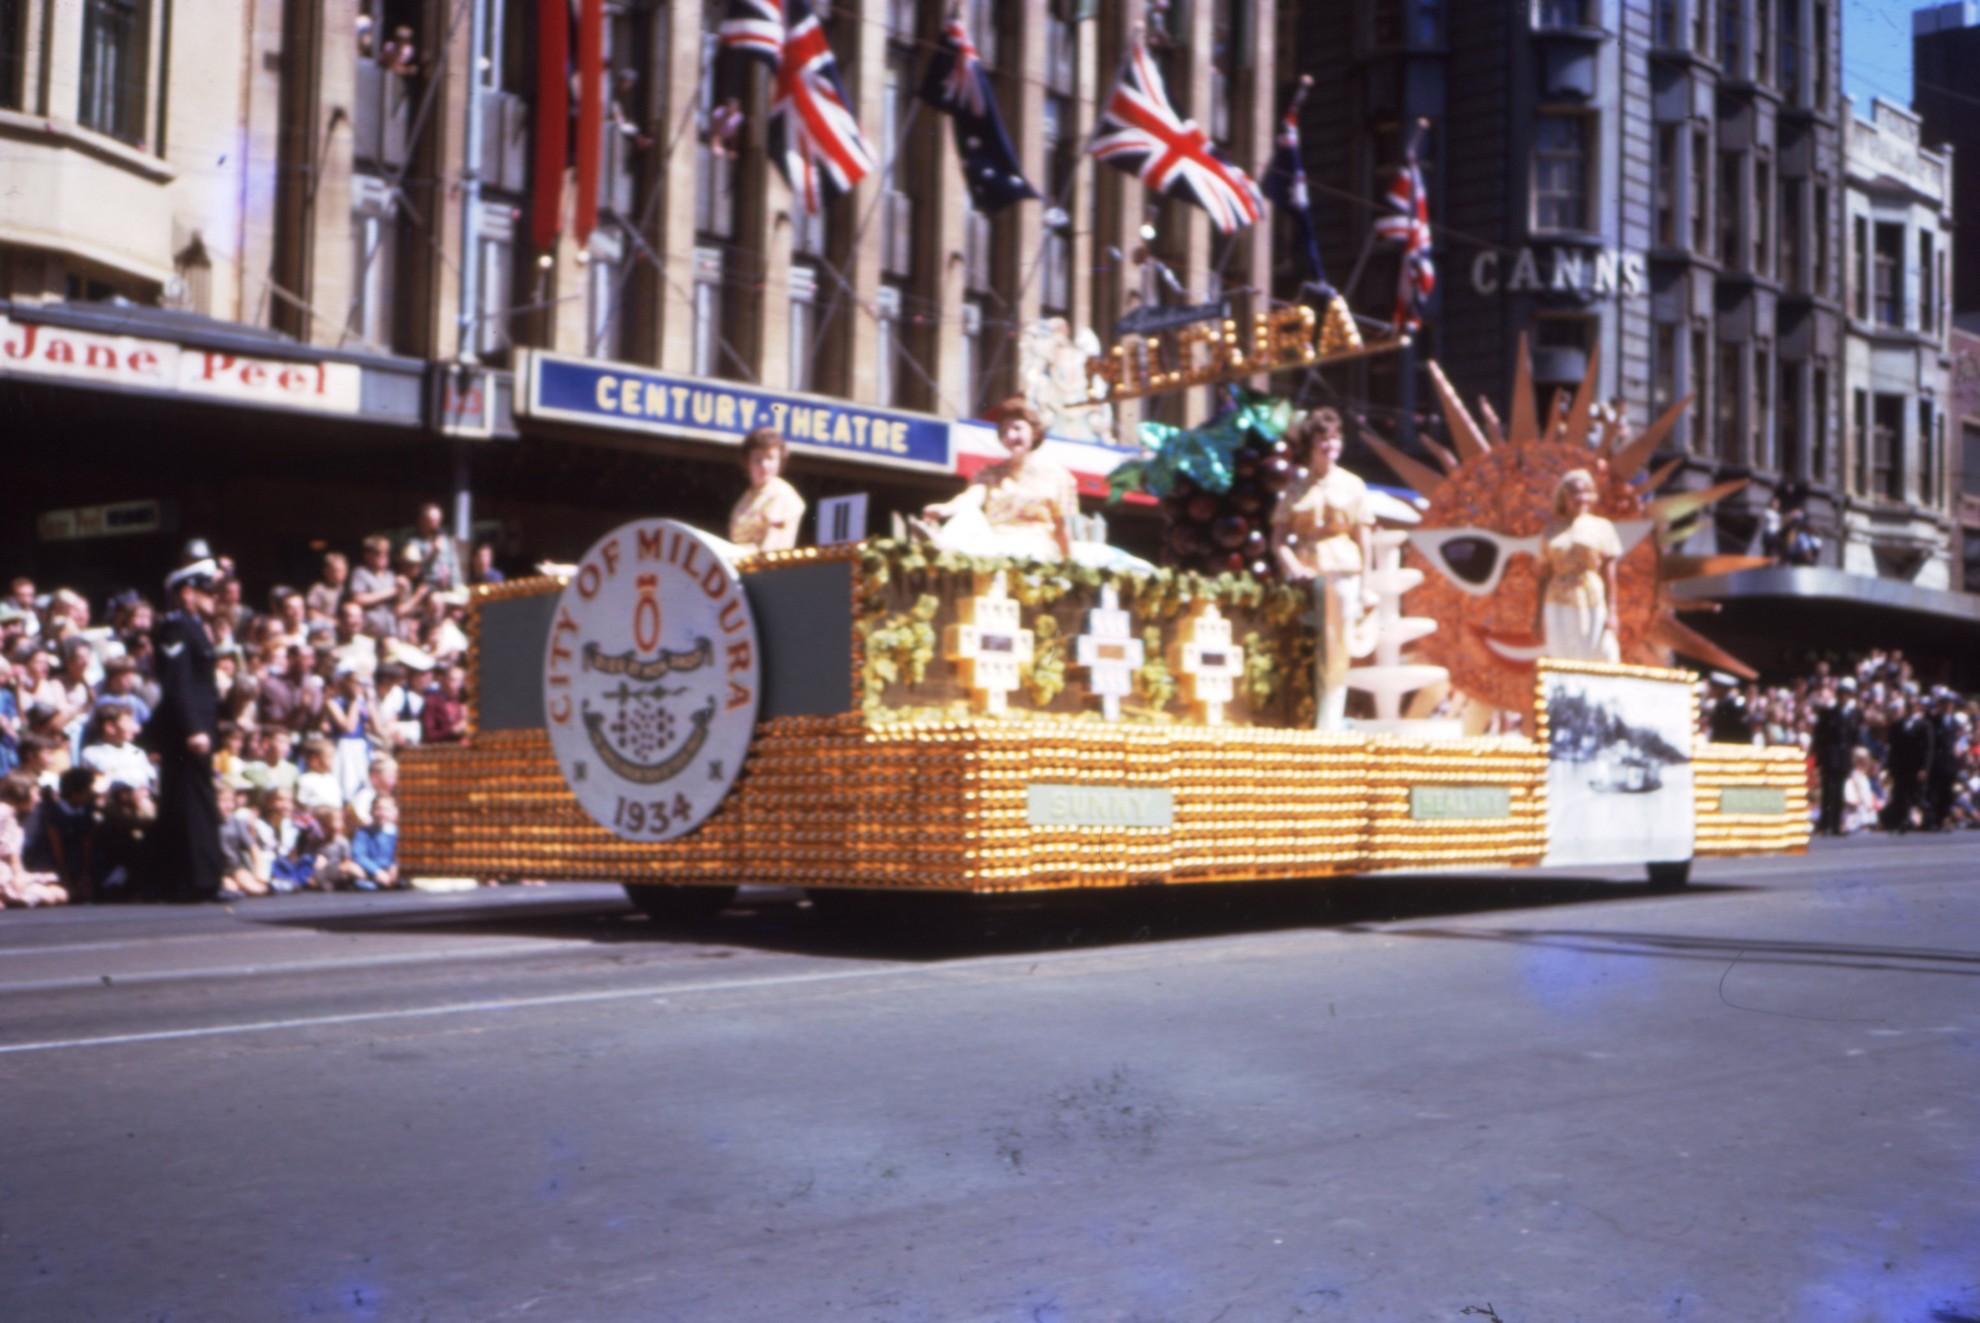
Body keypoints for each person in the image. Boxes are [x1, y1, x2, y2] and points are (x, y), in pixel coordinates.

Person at [1272, 408, 1376, 731]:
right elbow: (1278, 539)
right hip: (1306, 577)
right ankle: (1302, 719)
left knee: (1336, 648)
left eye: (1335, 439)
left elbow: (1364, 540)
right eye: (1323, 440)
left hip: (1342, 573)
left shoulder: (1353, 485)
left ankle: (1329, 723)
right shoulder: (1296, 488)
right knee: (1304, 647)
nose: (1329, 446)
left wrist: (1367, 588)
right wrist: (1292, 567)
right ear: (1311, 446)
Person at [138, 559, 225, 903]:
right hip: (186, 730)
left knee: (188, 803)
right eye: (206, 590)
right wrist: (194, 728)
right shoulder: (176, 627)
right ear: (186, 592)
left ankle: (182, 878)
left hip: (197, 725)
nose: (212, 597)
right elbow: (178, 682)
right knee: (191, 803)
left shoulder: (194, 625)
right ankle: (197, 880)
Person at [922, 396, 1077, 560]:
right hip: (997, 548)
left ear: (1034, 433)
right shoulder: (990, 474)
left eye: (1017, 428)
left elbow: (1061, 528)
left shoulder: (1057, 476)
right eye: (1004, 431)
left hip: (1035, 552)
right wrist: (945, 509)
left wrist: (1069, 565)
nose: (1010, 435)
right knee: (968, 516)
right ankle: (942, 547)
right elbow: (970, 499)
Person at [1533, 468, 1623, 664]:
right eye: (1574, 493)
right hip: (1556, 599)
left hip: (1590, 597)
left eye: (1585, 492)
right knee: (1560, 655)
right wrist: (1538, 616)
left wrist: (1613, 612)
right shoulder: (1550, 532)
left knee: (1591, 654)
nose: (1580, 497)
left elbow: (1609, 573)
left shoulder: (1602, 527)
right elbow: (1543, 575)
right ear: (1564, 495)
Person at [728, 427, 807, 555]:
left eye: (770, 458)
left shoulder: (783, 495)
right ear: (748, 462)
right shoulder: (745, 498)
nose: (764, 465)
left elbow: (772, 552)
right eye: (758, 459)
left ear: (779, 462)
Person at [1809, 678, 1861, 836]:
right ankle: (1826, 824)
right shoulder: (1829, 713)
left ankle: (1837, 824)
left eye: (1847, 694)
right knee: (1828, 790)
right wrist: (1818, 756)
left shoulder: (1854, 714)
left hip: (1843, 757)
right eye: (1842, 693)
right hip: (1830, 756)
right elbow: (1820, 736)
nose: (1844, 697)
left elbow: (1854, 737)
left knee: (1840, 790)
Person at [307, 551, 349, 623]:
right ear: (326, 571)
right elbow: (311, 612)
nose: (340, 574)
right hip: (324, 626)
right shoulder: (319, 588)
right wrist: (330, 621)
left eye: (343, 570)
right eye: (336, 570)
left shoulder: (347, 589)